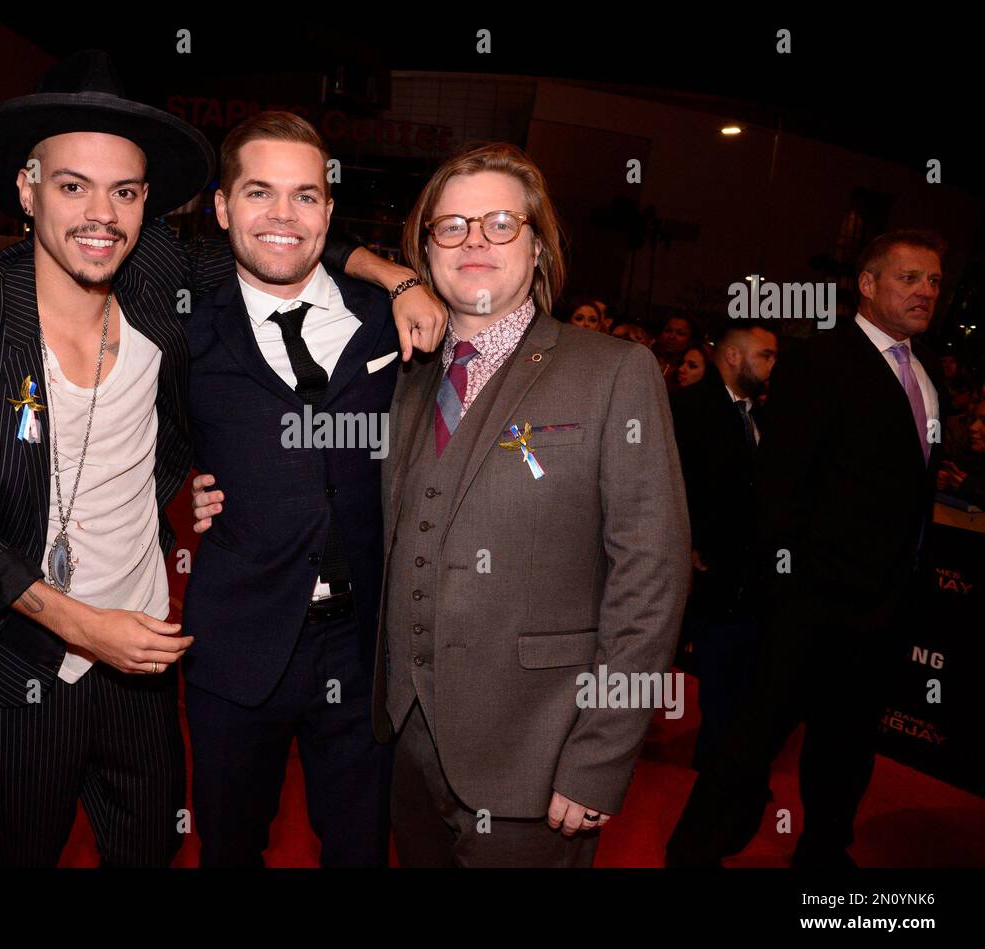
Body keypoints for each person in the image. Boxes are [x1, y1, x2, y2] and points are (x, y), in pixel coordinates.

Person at [0, 50, 215, 866]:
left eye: (125, 191)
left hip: (142, 656)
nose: (101, 214)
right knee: (20, 851)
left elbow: (273, 247)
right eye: (73, 185)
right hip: (25, 660)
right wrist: (81, 626)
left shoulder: (156, 279)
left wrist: (394, 278)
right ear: (26, 189)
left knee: (150, 850)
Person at [373, 142, 690, 866]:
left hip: (537, 755)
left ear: (540, 248)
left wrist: (599, 758)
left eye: (499, 223)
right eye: (450, 226)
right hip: (406, 742)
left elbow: (652, 578)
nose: (474, 240)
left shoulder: (613, 372)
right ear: (426, 254)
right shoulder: (409, 375)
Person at [181, 113, 436, 866]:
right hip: (235, 640)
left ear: (329, 209)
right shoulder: (186, 326)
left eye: (305, 196)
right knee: (229, 847)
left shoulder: (393, 322)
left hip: (366, 648)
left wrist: (401, 276)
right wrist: (182, 483)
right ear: (223, 207)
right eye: (259, 193)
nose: (283, 217)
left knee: (360, 848)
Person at [667, 229, 947, 868]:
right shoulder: (822, 360)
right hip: (810, 602)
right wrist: (787, 588)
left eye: (933, 281)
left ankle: (824, 853)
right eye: (909, 278)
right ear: (868, 284)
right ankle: (693, 853)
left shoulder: (926, 372)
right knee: (756, 734)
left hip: (884, 605)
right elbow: (781, 485)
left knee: (848, 740)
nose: (925, 291)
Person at [669, 323, 777, 770]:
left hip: (738, 573)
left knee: (728, 674)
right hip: (689, 567)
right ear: (733, 357)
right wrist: (688, 542)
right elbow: (667, 484)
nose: (774, 365)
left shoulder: (761, 416)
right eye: (766, 355)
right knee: (646, 664)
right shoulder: (688, 408)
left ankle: (717, 766)